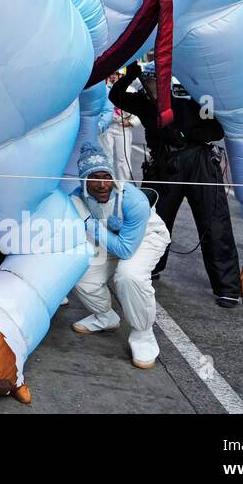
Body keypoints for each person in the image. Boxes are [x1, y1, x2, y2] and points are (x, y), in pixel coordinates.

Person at [110, 61, 242, 307]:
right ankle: (151, 266)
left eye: (154, 80)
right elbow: (116, 96)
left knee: (214, 222)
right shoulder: (145, 103)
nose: (150, 85)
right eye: (147, 81)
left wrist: (186, 133)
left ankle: (228, 287)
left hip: (198, 162)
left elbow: (216, 131)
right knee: (154, 220)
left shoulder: (196, 98)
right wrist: (129, 76)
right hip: (163, 163)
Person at [68, 144, 171, 369]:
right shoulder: (77, 197)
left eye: (107, 177)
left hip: (145, 239)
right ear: (84, 180)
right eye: (95, 178)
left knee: (129, 275)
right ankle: (105, 317)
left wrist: (91, 226)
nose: (103, 184)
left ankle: (143, 335)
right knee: (80, 274)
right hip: (111, 239)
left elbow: (125, 250)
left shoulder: (133, 200)